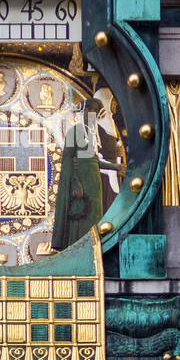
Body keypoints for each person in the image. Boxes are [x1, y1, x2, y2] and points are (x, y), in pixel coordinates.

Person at [49, 98, 113, 252]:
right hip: (82, 183)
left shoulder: (92, 134)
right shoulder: (75, 131)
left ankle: (92, 249)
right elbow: (67, 159)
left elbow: (94, 160)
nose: (92, 115)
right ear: (83, 112)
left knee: (94, 218)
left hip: (94, 185)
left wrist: (116, 167)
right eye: (90, 110)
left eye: (95, 113)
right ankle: (78, 251)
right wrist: (75, 182)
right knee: (81, 216)